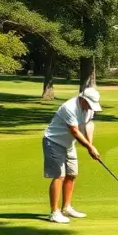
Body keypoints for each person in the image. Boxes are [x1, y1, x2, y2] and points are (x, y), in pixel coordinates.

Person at [43, 87, 103, 223]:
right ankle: (54, 212)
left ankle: (66, 208)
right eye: (89, 104)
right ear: (82, 99)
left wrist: (90, 144)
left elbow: (88, 124)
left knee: (72, 174)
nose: (90, 107)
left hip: (68, 144)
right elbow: (75, 131)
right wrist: (90, 148)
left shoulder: (89, 109)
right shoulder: (69, 107)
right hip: (53, 141)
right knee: (59, 175)